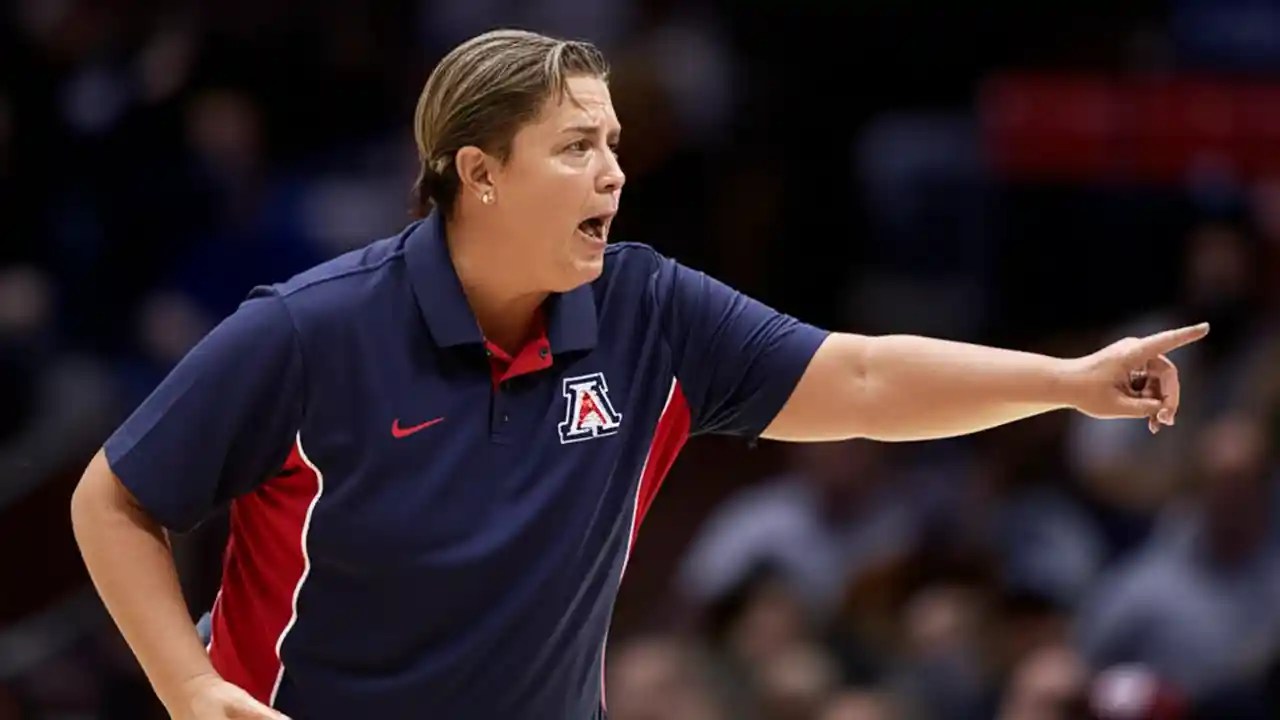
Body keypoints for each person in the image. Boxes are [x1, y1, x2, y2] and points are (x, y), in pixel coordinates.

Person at [69, 28, 1209, 720]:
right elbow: (113, 496)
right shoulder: (310, 332)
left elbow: (858, 377)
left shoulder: (646, 309)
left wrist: (1063, 380)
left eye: (612, 143)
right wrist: (187, 688)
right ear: (480, 174)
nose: (613, 172)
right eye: (577, 147)